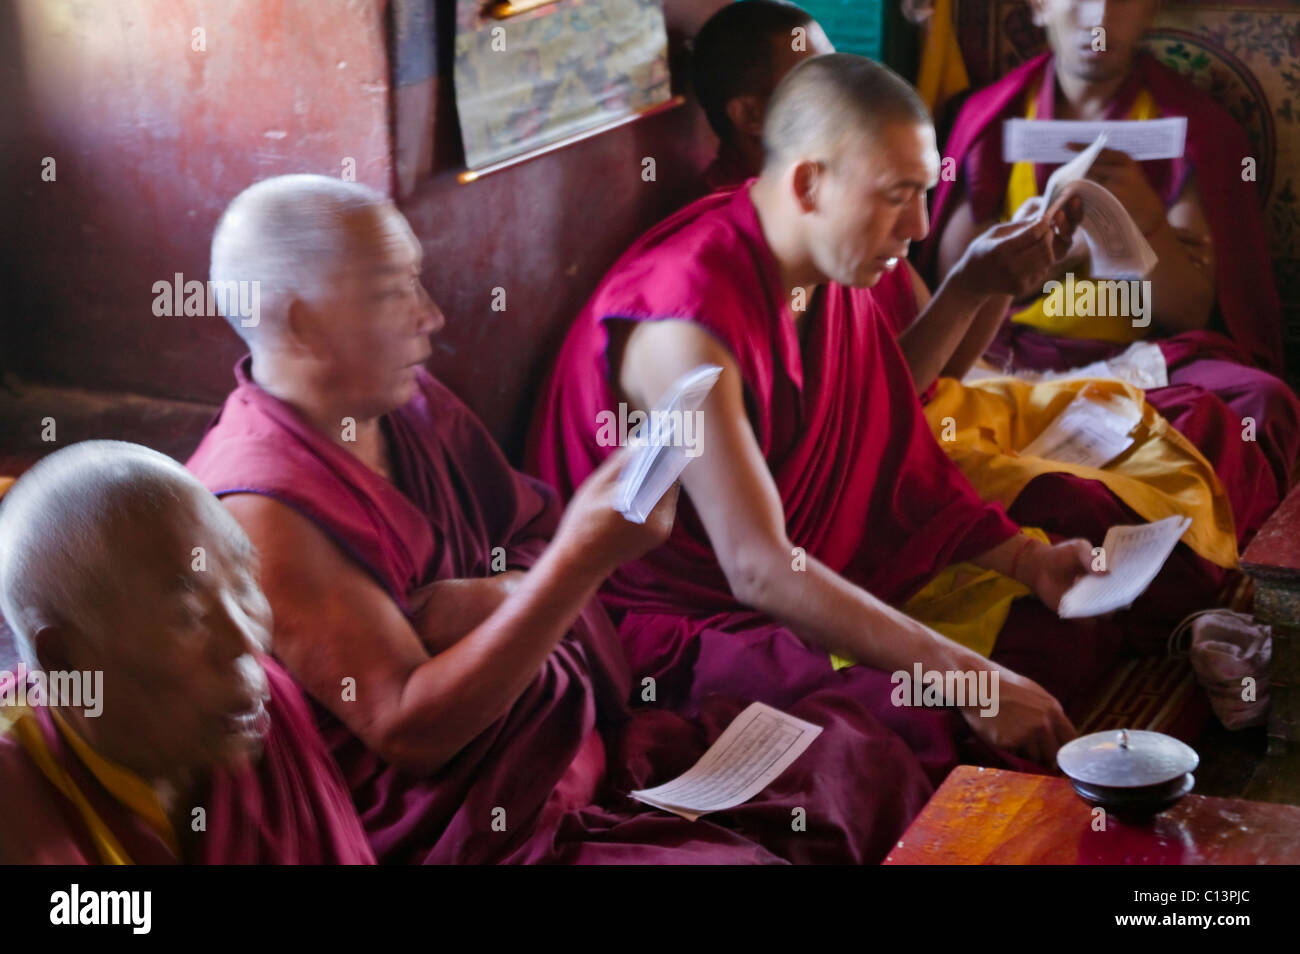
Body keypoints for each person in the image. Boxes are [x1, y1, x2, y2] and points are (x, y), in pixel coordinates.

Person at [187, 174, 934, 864]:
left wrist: (503, 591)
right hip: (460, 821)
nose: (431, 315)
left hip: (567, 733)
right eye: (393, 292)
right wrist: (577, 562)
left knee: (866, 752)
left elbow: (528, 529)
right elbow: (413, 732)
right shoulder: (262, 507)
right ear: (301, 322)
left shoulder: (406, 403)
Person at [531, 54, 1103, 773]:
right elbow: (758, 567)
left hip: (790, 581)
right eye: (899, 195)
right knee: (919, 740)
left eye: (925, 193)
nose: (920, 225)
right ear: (809, 183)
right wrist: (967, 679)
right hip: (671, 623)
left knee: (1054, 637)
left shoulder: (820, 265)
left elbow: (880, 441)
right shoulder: (684, 324)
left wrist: (1029, 560)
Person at [683, 0, 1241, 655]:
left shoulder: (832, 191)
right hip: (885, 465)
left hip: (944, 413)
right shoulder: (745, 240)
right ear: (750, 115)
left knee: (1206, 427)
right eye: (815, 77)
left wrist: (994, 282)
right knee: (1084, 522)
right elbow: (857, 423)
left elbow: (936, 365)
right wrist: (975, 283)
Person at [924, 0, 1300, 544]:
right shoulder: (992, 118)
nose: (1099, 18)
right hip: (1013, 358)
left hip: (1145, 364)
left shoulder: (1193, 130)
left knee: (1262, 405)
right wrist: (1046, 250)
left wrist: (1145, 221)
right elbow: (951, 283)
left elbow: (1189, 310)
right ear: (1037, 7)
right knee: (936, 421)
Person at [0, 440, 374, 864]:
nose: (248, 644)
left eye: (243, 585)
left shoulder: (267, 708)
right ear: (64, 660)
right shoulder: (16, 805)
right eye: (189, 615)